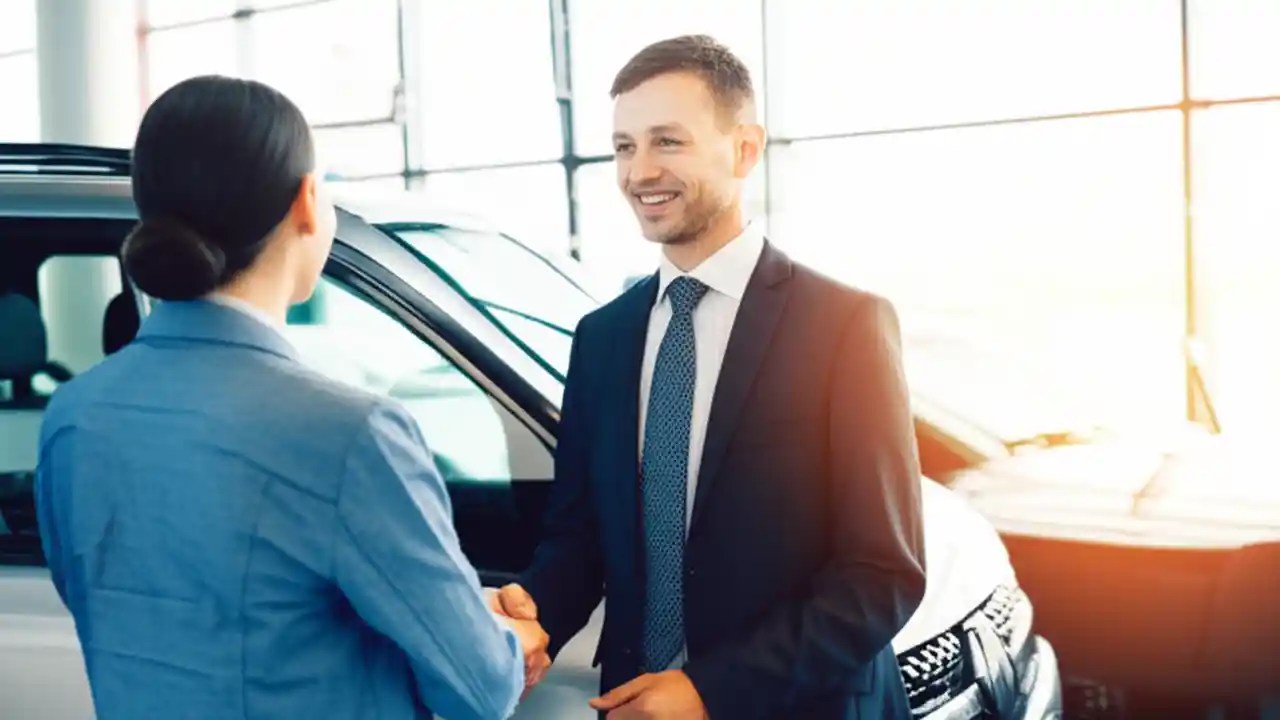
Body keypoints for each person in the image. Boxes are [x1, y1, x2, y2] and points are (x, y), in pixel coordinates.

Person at [34, 75, 547, 720]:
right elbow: (478, 688)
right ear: (308, 200)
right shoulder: (351, 433)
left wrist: (459, 609)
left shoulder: (74, 417)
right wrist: (507, 636)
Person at [492, 35, 927, 719]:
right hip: (632, 700)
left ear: (745, 150)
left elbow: (881, 576)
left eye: (668, 141)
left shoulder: (845, 327)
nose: (639, 172)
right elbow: (580, 539)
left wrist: (708, 691)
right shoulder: (602, 338)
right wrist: (528, 612)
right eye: (623, 146)